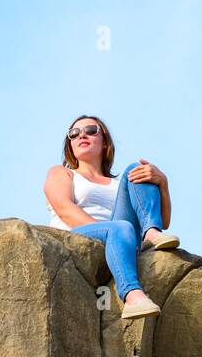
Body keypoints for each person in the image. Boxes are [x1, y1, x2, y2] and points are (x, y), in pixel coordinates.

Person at [44, 114, 180, 318]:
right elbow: (64, 209)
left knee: (137, 170)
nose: (82, 135)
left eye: (91, 130)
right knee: (120, 227)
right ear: (70, 144)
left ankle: (150, 234)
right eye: (74, 133)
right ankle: (132, 296)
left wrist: (163, 182)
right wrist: (112, 232)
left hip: (120, 236)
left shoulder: (119, 186)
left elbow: (165, 220)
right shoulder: (62, 173)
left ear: (104, 140)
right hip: (79, 235)